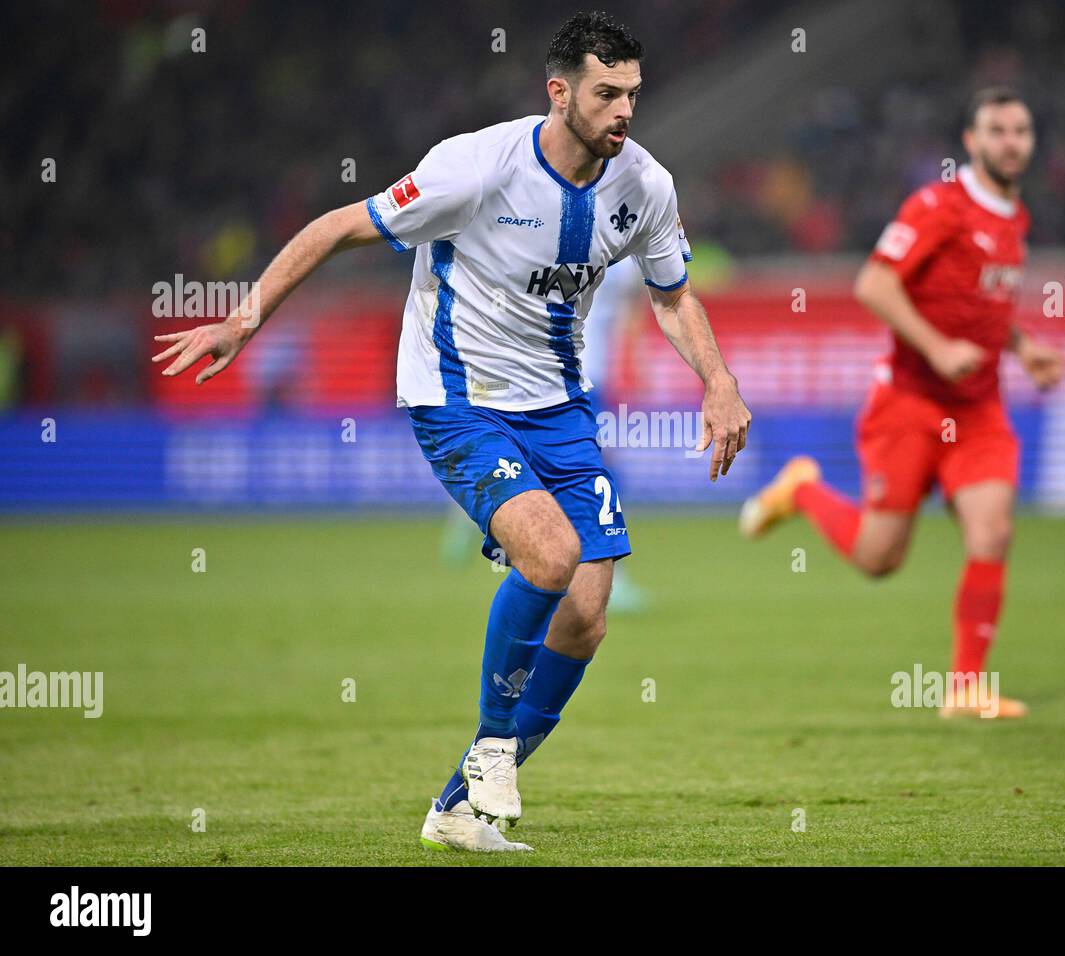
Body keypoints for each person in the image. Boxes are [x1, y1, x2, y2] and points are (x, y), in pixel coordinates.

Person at [153, 11, 750, 851]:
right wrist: (242, 320)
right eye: (606, 93)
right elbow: (336, 227)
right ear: (559, 91)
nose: (624, 111)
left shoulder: (643, 184)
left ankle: (456, 808)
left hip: (560, 405)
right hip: (456, 395)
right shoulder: (475, 168)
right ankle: (496, 749)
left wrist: (718, 382)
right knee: (550, 554)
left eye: (633, 95)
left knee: (585, 617)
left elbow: (672, 291)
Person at [740, 88, 1063, 719]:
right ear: (971, 141)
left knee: (992, 531)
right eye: (996, 130)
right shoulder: (938, 205)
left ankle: (966, 688)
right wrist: (939, 349)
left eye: (1021, 130)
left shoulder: (1015, 217)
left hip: (977, 410)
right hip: (911, 404)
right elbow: (874, 282)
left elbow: (982, 303)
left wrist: (1023, 347)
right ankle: (803, 489)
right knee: (878, 559)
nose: (1010, 141)